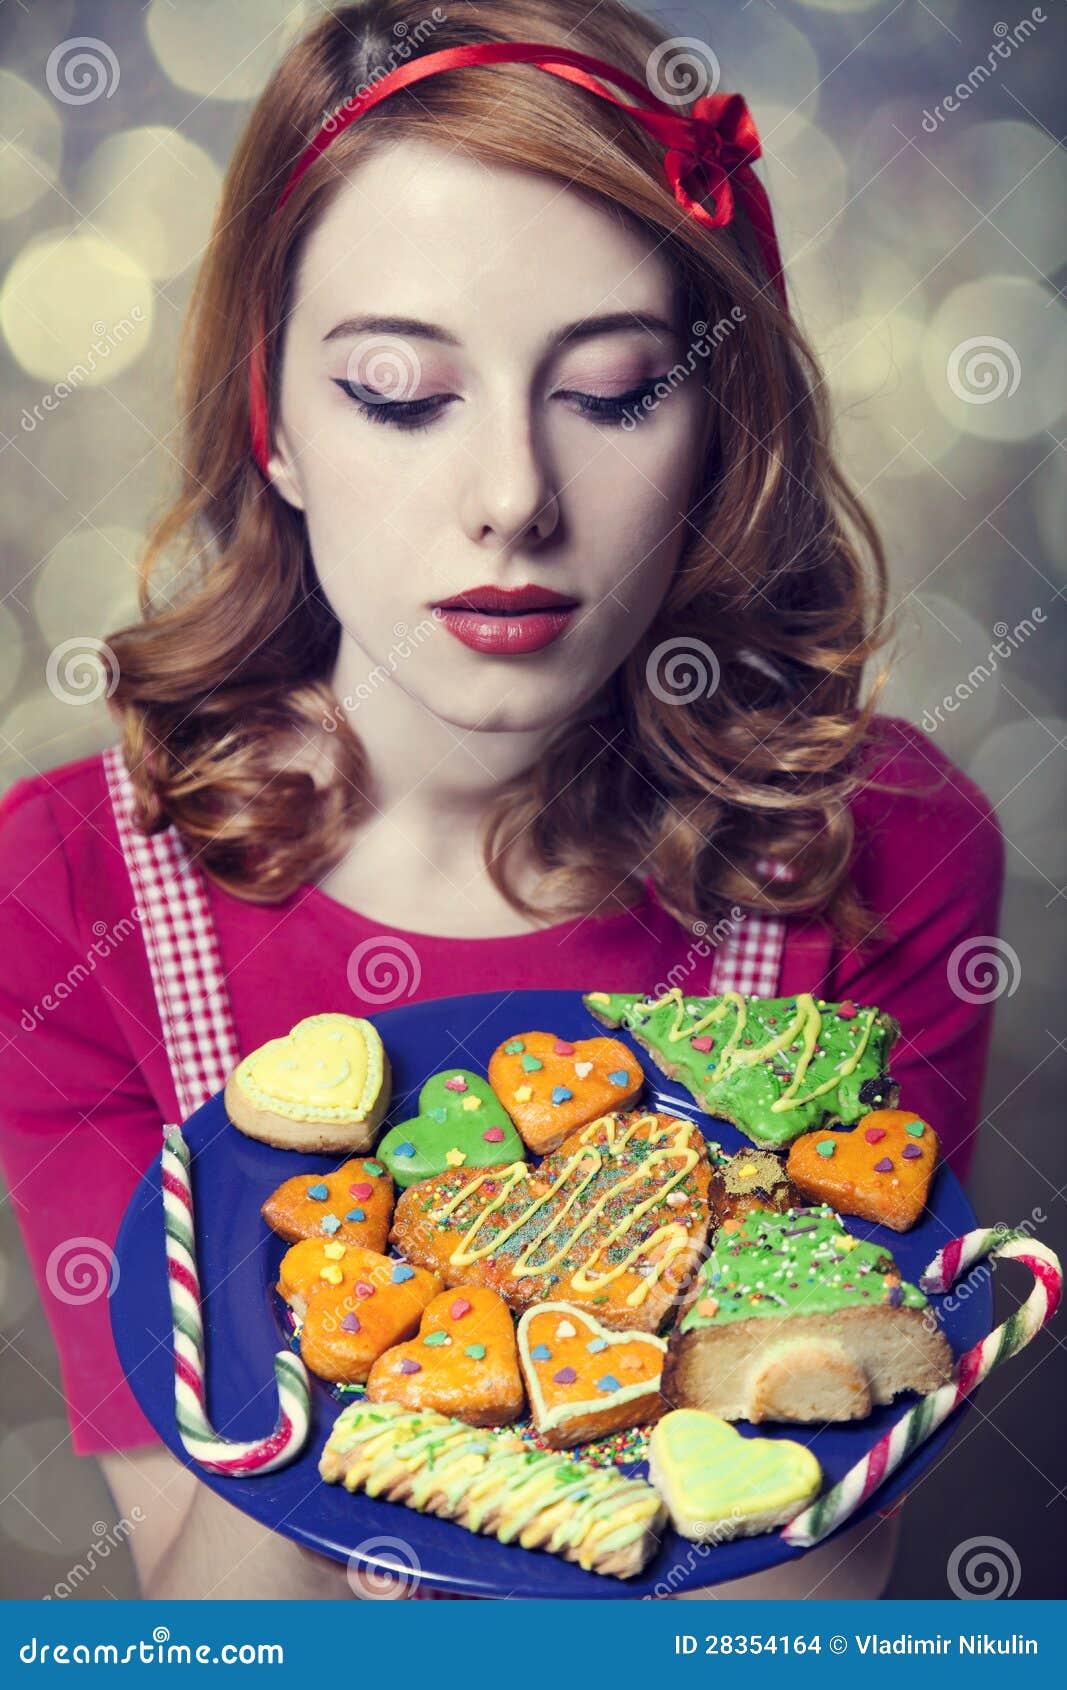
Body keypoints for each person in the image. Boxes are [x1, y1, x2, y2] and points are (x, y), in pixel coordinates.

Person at [0, 0, 1003, 1601]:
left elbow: (788, 1596)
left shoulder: (886, 849)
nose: (513, 499)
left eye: (610, 391)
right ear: (278, 422)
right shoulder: (66, 893)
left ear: (714, 420)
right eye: (400, 391)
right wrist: (348, 1270)